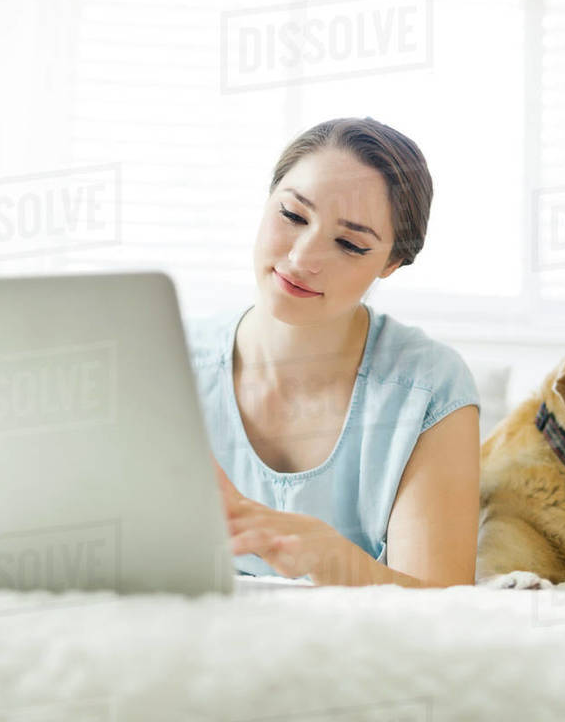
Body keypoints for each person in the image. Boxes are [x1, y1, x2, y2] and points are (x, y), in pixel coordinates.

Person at [188, 117, 480, 588]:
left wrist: (331, 556)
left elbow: (442, 605)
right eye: (292, 216)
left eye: (349, 244)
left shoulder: (429, 386)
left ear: (391, 264)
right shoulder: (169, 360)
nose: (302, 259)